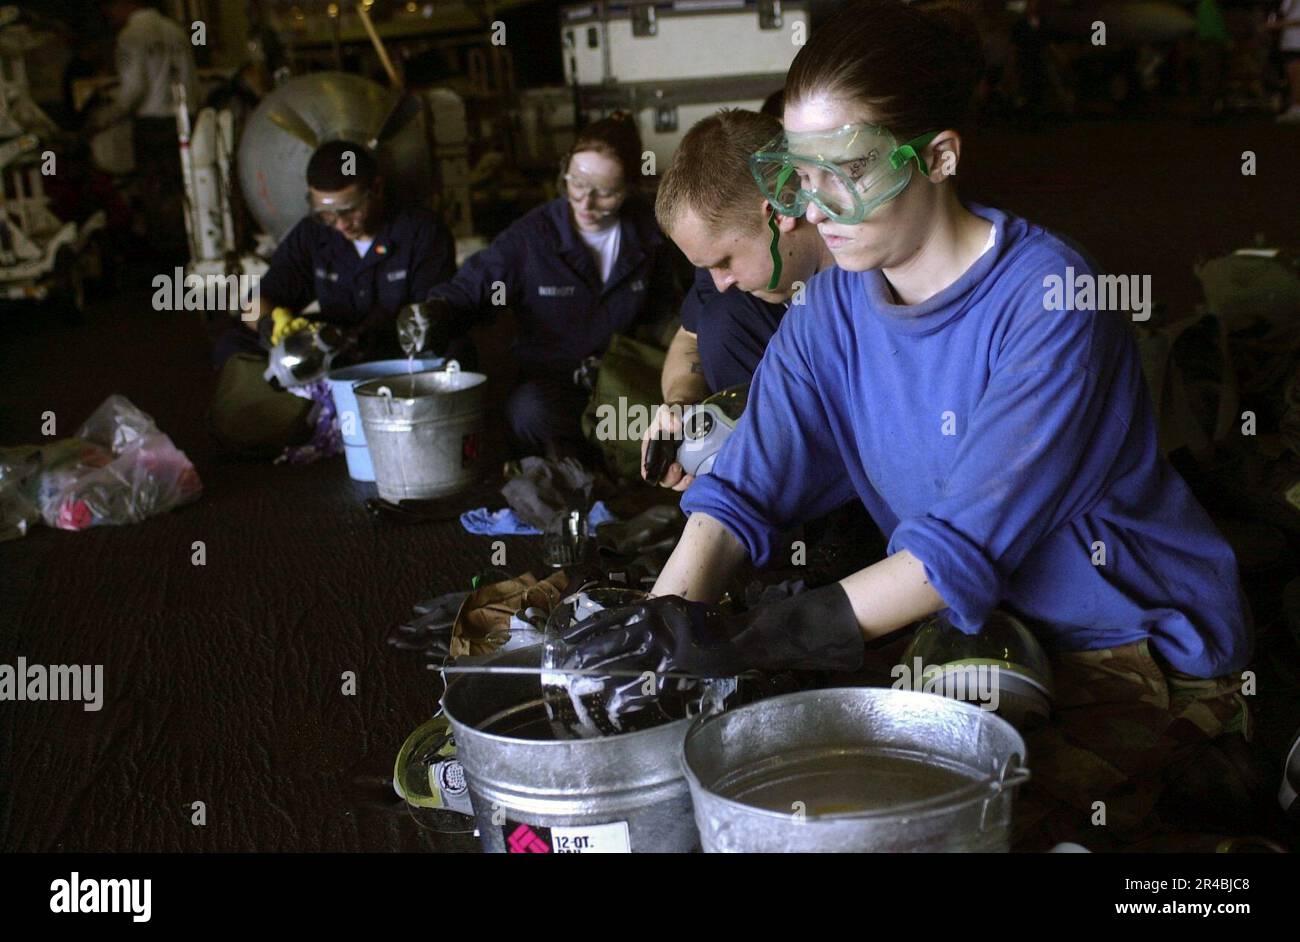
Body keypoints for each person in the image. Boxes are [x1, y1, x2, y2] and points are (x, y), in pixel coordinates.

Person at [561, 0, 1253, 849]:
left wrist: (755, 633)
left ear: (939, 155)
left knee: (927, 833)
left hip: (1129, 644)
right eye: (798, 175)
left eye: (845, 170)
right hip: (982, 629)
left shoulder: (1049, 303)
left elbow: (951, 554)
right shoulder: (834, 304)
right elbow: (748, 481)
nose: (815, 209)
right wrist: (663, 625)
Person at [411, 113, 680, 458]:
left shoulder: (648, 236)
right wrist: (436, 311)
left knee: (668, 427)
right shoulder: (532, 238)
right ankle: (577, 475)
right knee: (528, 412)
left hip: (623, 382)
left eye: (605, 193)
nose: (586, 202)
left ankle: (622, 469)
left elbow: (668, 310)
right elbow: (474, 288)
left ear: (629, 187)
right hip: (556, 388)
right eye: (577, 184)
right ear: (564, 173)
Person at [209, 140, 456, 454]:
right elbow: (256, 303)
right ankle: (278, 426)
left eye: (349, 210)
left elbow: (432, 321)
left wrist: (364, 341)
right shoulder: (314, 232)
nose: (340, 224)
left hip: (392, 355)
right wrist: (273, 323)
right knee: (232, 342)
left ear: (376, 189)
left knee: (451, 356)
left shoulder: (421, 231)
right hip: (330, 351)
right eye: (326, 214)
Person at [642, 109, 834, 490]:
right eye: (708, 266)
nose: (721, 281)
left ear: (780, 212)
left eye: (724, 262)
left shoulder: (870, 267)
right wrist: (682, 409)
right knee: (720, 322)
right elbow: (689, 341)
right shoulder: (730, 266)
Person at [94, 0, 199, 257]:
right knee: (187, 187)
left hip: (153, 126)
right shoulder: (175, 30)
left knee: (156, 192)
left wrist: (104, 119)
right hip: (186, 119)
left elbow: (134, 89)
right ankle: (192, 247)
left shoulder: (131, 36)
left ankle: (166, 259)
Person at [1270, 0, 1300, 121]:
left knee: (1297, 76)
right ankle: (1295, 106)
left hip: (1298, 42)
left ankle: (1297, 108)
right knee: (1291, 76)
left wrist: (1279, 24)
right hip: (1288, 42)